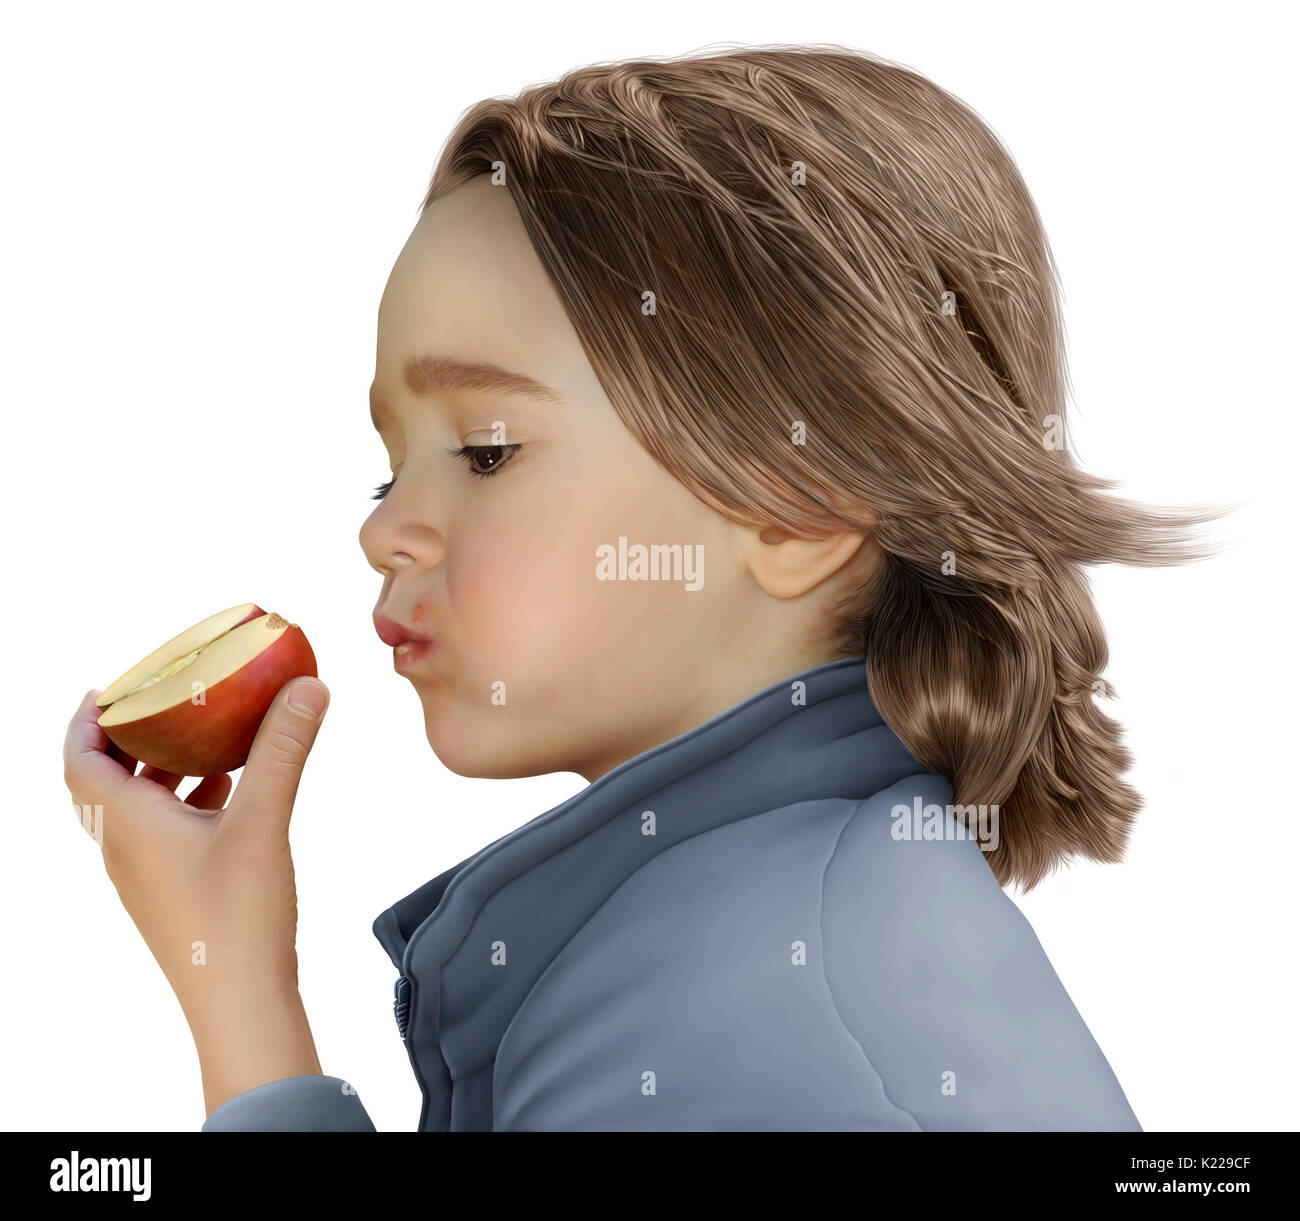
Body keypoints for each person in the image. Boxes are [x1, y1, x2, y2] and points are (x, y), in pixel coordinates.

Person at [63, 44, 1211, 1131]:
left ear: (794, 506)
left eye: (486, 450)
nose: (382, 530)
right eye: (387, 464)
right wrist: (237, 974)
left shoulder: (745, 1022)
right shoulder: (791, 925)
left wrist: (239, 1003)